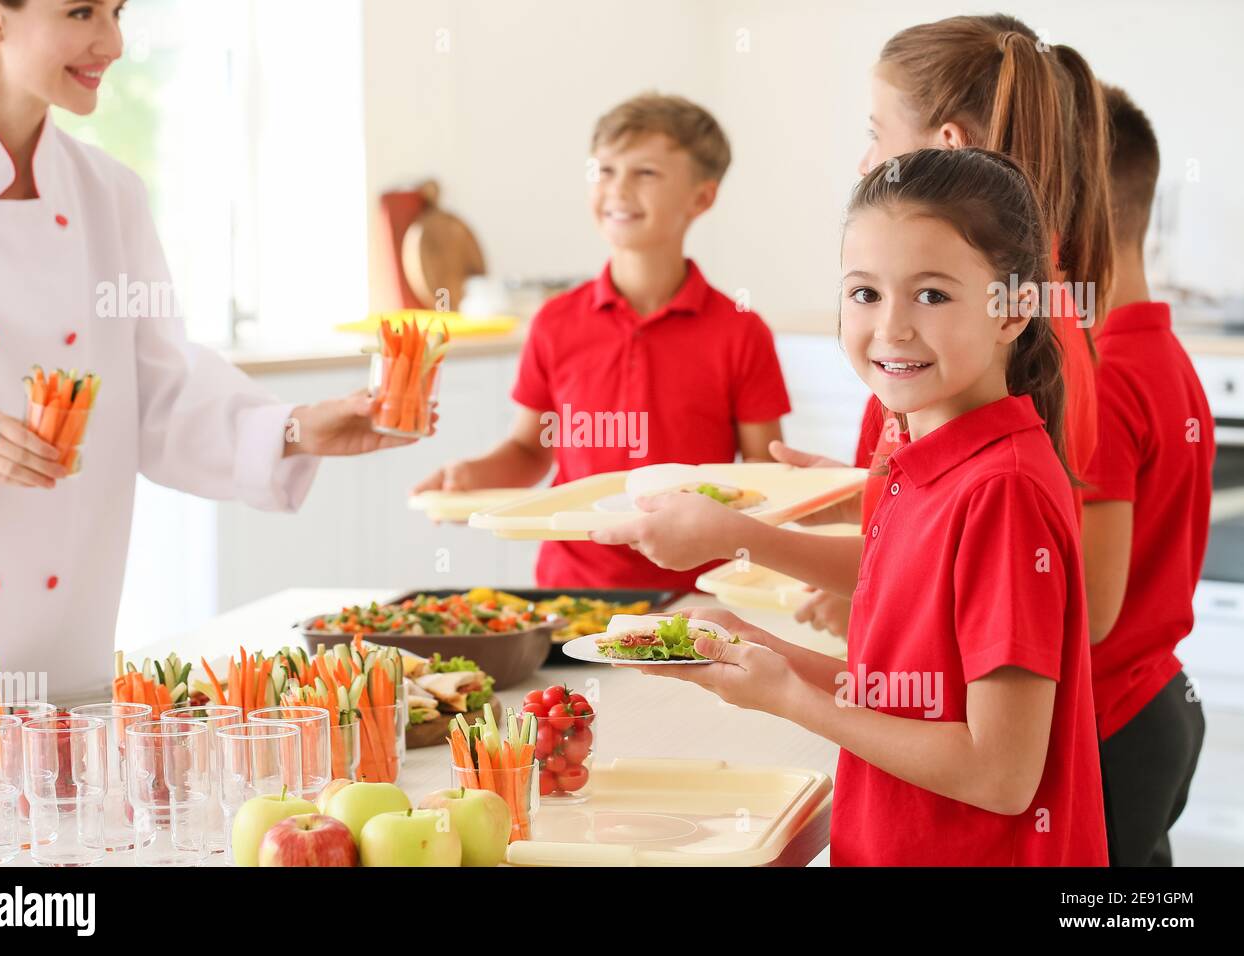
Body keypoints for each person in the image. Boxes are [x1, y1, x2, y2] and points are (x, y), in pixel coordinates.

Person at [629, 149, 1107, 865]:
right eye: (864, 294)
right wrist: (761, 656)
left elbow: (1000, 774)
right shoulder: (913, 464)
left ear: (1014, 312)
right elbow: (900, 696)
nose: (893, 328)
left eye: (933, 295)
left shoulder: (1002, 493)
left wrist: (789, 699)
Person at [0, 0, 423, 702]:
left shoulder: (109, 195)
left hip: (68, 634)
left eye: (116, 11)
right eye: (80, 12)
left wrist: (293, 428)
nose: (111, 42)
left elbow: (159, 388)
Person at [594, 16, 1113, 635]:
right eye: (864, 293)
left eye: (875, 132)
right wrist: (854, 497)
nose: (891, 328)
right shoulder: (953, 356)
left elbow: (989, 577)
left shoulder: (1003, 376)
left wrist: (749, 543)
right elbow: (939, 529)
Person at [414, 92, 791, 592]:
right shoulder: (555, 322)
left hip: (696, 592)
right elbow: (531, 449)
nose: (618, 189)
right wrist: (473, 475)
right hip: (569, 586)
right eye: (605, 170)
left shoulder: (741, 331)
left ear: (701, 198)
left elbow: (763, 474)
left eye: (645, 173)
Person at [1081, 85, 1212, 866]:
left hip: (1110, 724)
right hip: (1158, 698)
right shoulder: (1159, 353)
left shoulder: (1100, 378)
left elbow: (1092, 611)